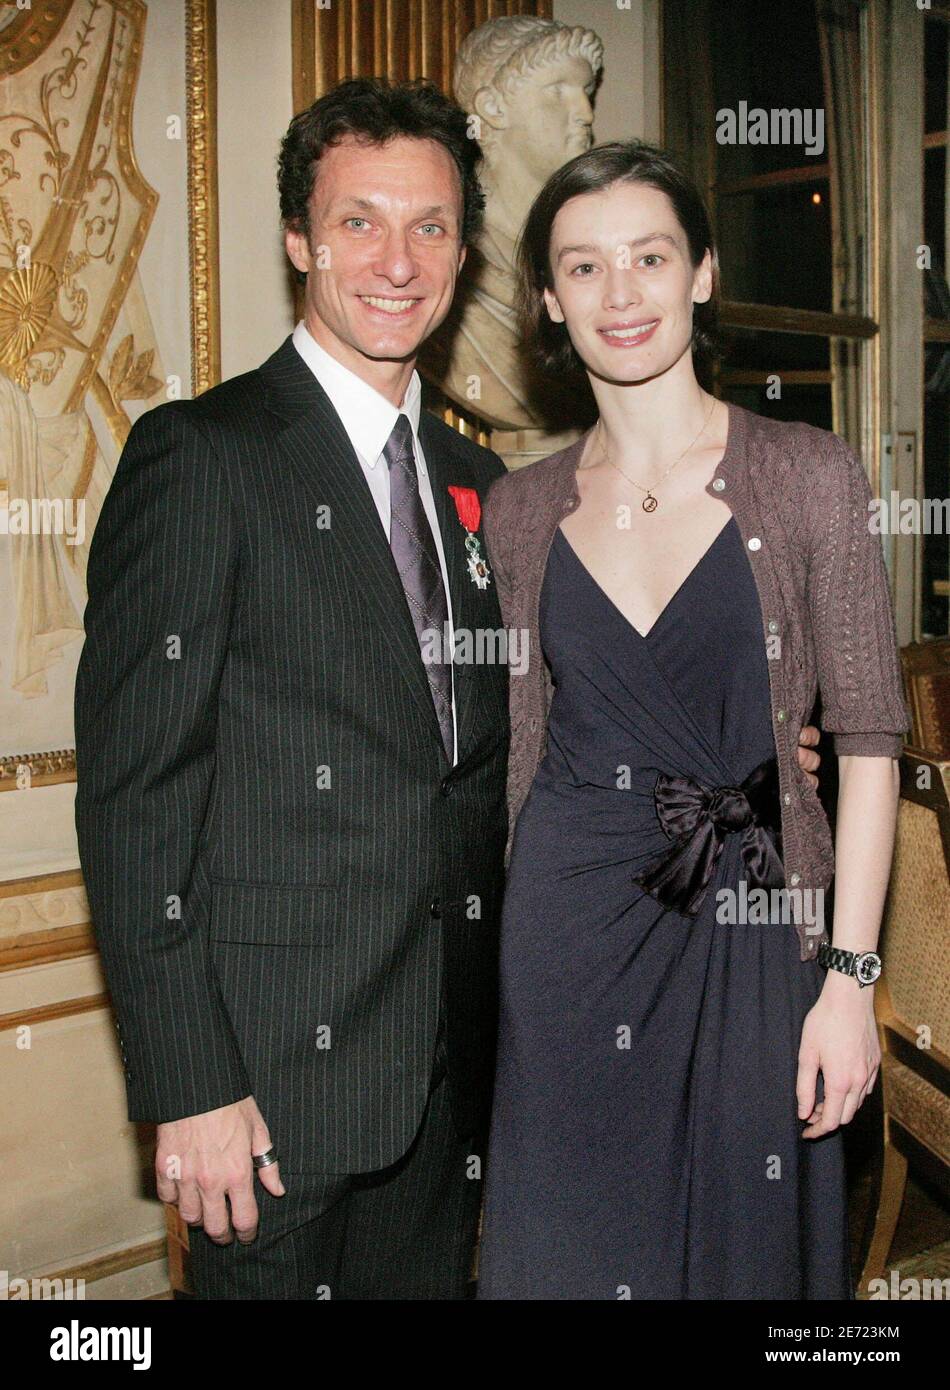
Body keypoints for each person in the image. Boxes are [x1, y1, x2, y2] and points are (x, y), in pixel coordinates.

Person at [73, 77, 512, 1301]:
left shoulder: (474, 478)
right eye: (357, 221)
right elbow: (133, 800)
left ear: (462, 251)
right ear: (298, 240)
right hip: (263, 1095)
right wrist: (190, 1084)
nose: (395, 259)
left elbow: (497, 753)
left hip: (442, 1084)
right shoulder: (202, 457)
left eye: (428, 225)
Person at [477, 140, 909, 1300]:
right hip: (566, 939)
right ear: (545, 300)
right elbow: (514, 742)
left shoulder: (807, 473)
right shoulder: (517, 513)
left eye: (648, 256)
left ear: (702, 272)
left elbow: (867, 738)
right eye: (582, 267)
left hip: (760, 928)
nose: (619, 294)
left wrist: (851, 981)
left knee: (746, 1255)